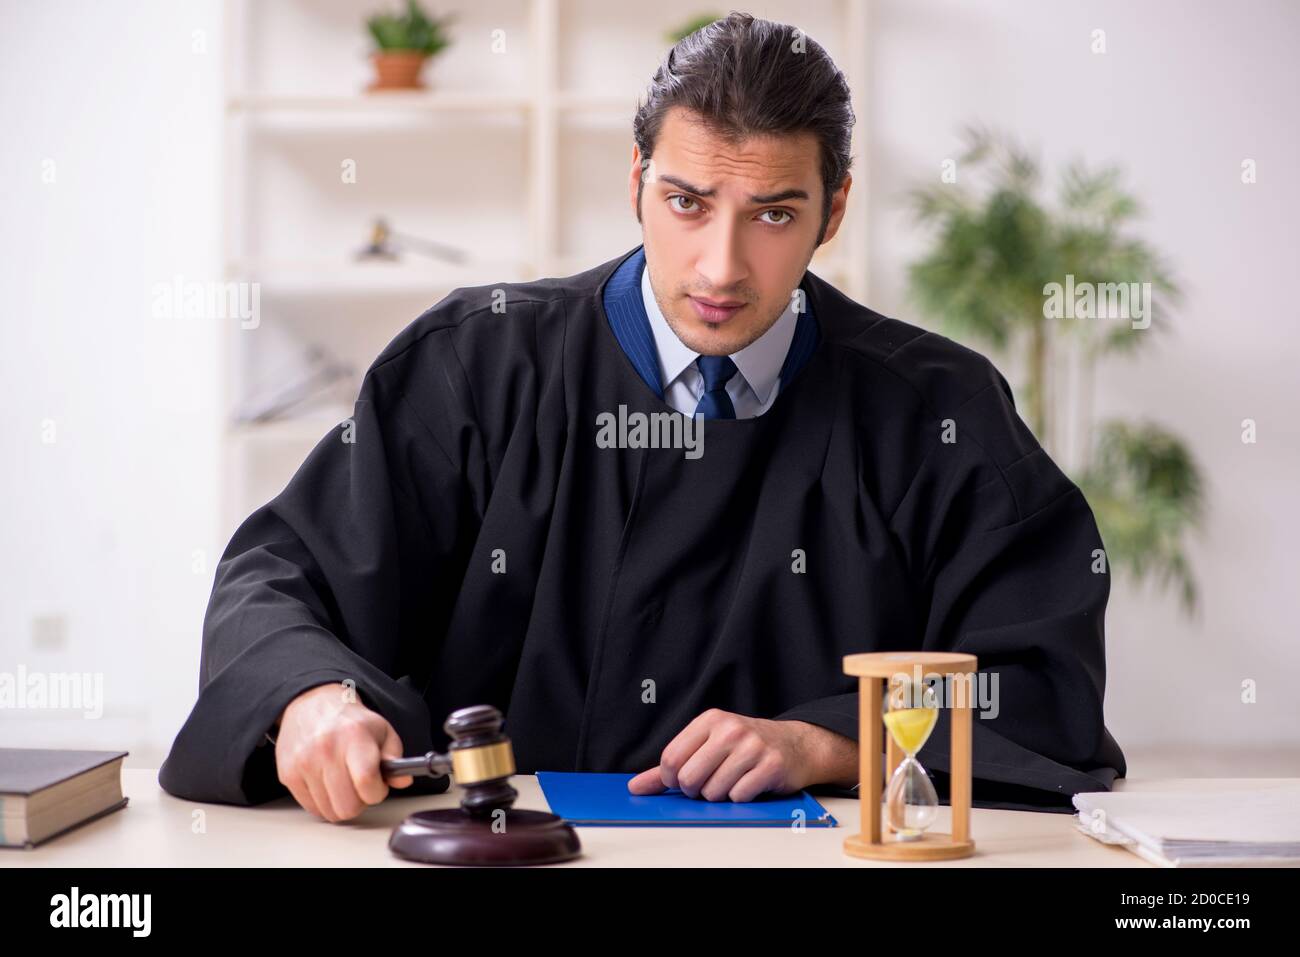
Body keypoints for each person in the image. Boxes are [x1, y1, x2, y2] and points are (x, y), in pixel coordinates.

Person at [160, 12, 1125, 822]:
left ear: (833, 212)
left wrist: (828, 738)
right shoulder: (474, 362)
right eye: (687, 202)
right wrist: (309, 698)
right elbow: (276, 577)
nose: (721, 266)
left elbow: (1038, 677)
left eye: (775, 214)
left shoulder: (936, 409)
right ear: (635, 185)